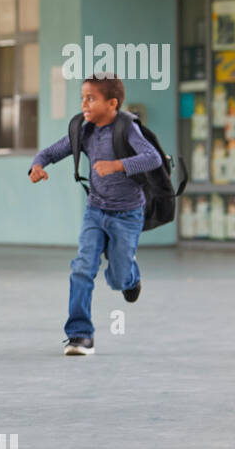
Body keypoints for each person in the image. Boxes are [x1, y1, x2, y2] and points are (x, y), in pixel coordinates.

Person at [28, 73, 162, 356]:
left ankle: (130, 276)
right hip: (95, 211)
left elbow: (152, 158)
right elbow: (53, 151)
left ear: (112, 103)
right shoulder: (84, 129)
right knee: (81, 268)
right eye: (82, 98)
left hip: (127, 214)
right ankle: (79, 335)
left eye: (91, 98)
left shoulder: (127, 128)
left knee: (116, 278)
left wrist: (117, 165)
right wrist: (37, 165)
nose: (84, 104)